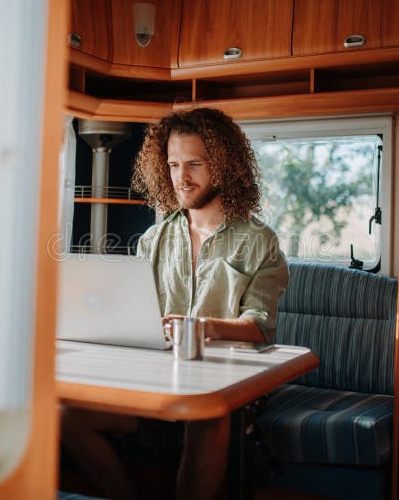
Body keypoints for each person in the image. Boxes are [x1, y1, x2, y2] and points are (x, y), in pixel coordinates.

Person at [60, 107, 289, 500]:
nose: (181, 177)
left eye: (194, 164)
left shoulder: (259, 240)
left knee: (206, 420)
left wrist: (201, 327)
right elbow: (136, 314)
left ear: (224, 165)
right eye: (173, 164)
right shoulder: (153, 239)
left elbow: (260, 327)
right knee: (64, 416)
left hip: (224, 382)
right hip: (158, 380)